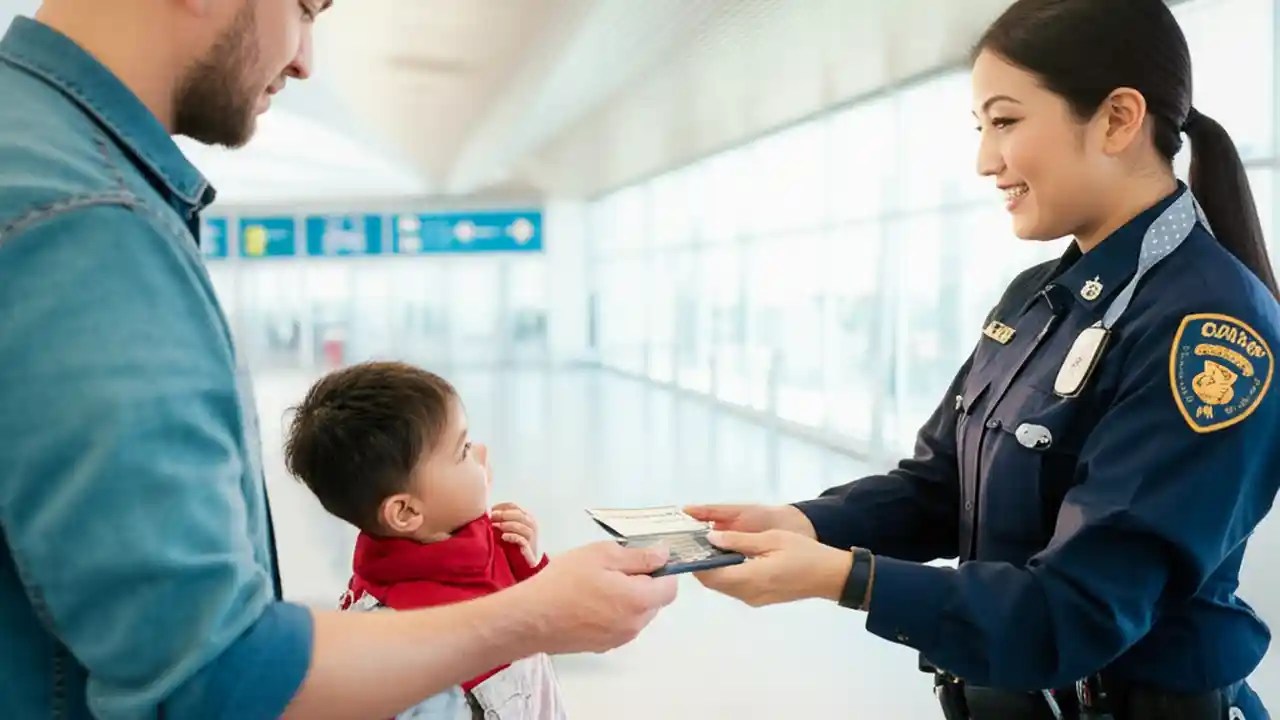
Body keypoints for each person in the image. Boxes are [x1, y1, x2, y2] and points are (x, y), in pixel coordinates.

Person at [0, 2, 676, 719]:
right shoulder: (88, 225)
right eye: (304, 8)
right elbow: (210, 679)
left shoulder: (44, 166)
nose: (304, 61)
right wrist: (531, 616)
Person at [686, 1, 1279, 718]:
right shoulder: (1038, 299)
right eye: (981, 128)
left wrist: (847, 578)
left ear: (1119, 119)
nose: (984, 160)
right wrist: (804, 525)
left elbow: (1078, 611)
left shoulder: (1208, 330)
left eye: (1005, 122)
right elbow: (940, 486)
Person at [284, 361, 566, 719]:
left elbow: (541, 621)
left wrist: (532, 563)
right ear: (405, 513)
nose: (481, 452)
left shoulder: (482, 534)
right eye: (462, 451)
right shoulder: (399, 639)